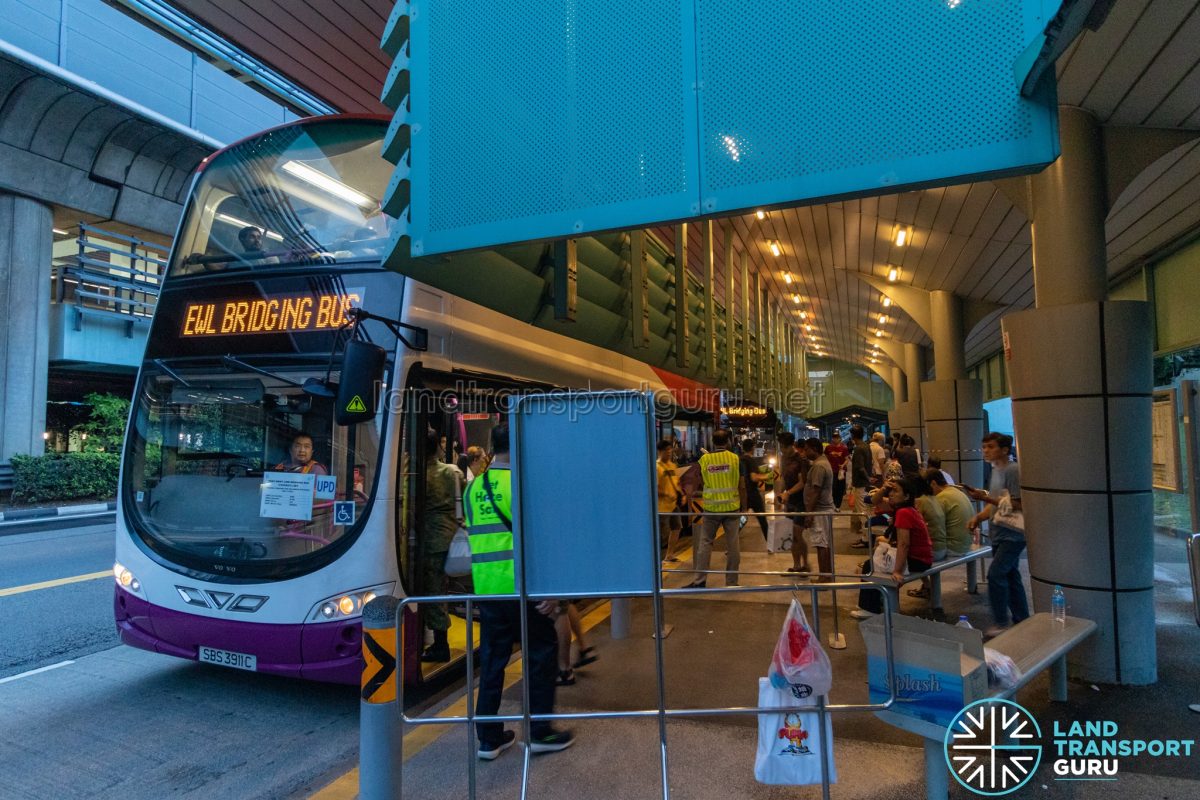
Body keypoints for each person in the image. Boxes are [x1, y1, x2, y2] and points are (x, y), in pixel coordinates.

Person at [464, 424, 573, 758]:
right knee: (541, 655)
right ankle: (540, 732)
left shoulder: (473, 488)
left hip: (487, 589)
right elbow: (541, 542)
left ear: (492, 447)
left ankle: (488, 738)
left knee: (493, 662)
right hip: (524, 588)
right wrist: (551, 590)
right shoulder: (523, 485)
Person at [968, 432, 1028, 638]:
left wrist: (984, 498)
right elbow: (994, 504)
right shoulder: (996, 471)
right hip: (1000, 532)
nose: (985, 450)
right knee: (1011, 576)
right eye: (984, 447)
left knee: (996, 574)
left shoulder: (1013, 471)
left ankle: (1001, 622)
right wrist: (978, 517)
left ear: (1004, 449)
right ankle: (1022, 619)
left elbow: (1020, 504)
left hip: (1013, 534)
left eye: (990, 447)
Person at [851, 477, 934, 619]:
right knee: (871, 563)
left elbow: (904, 544)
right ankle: (876, 602)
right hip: (922, 557)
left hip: (916, 560)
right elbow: (874, 501)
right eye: (891, 491)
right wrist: (884, 488)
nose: (891, 494)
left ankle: (870, 608)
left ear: (906, 495)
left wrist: (897, 570)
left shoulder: (903, 512)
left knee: (869, 567)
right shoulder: (906, 508)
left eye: (895, 491)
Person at [420, 430, 464, 662]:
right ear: (437, 446)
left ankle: (440, 645)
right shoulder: (452, 472)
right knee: (439, 590)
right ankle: (437, 640)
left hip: (427, 541)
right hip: (450, 536)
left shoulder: (414, 475)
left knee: (432, 591)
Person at [686, 429, 746, 588]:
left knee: (705, 544)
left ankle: (699, 581)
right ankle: (732, 582)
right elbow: (742, 486)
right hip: (732, 509)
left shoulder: (704, 460)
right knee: (733, 546)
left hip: (711, 509)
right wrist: (744, 508)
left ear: (713, 442)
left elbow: (695, 480)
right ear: (728, 442)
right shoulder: (735, 459)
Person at [801, 437, 835, 581]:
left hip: (820, 510)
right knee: (824, 543)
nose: (805, 451)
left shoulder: (819, 467)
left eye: (807, 449)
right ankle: (827, 575)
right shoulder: (821, 462)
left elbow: (816, 491)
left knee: (822, 544)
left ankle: (824, 578)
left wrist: (809, 513)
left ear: (814, 449)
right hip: (822, 509)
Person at [775, 432, 810, 573]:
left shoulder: (801, 459)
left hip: (800, 500)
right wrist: (779, 495)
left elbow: (803, 482)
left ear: (790, 446)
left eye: (783, 447)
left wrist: (788, 493)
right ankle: (796, 565)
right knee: (791, 534)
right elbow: (783, 478)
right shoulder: (784, 458)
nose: (782, 450)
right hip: (789, 501)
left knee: (797, 534)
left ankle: (805, 564)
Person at [908, 473, 946, 599]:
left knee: (901, 554)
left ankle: (886, 596)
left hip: (933, 550)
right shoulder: (932, 498)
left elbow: (912, 526)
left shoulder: (920, 501)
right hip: (942, 547)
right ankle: (927, 586)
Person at [925, 469, 973, 556]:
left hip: (954, 548)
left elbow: (934, 527)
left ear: (933, 483)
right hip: (967, 545)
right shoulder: (957, 491)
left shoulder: (941, 497)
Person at [739, 438, 773, 541]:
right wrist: (767, 476)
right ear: (753, 448)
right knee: (762, 519)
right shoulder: (751, 460)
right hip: (753, 494)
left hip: (742, 494)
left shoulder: (740, 460)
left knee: (741, 519)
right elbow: (754, 478)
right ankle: (770, 544)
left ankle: (730, 543)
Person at [656, 439, 684, 562]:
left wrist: (681, 494)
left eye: (670, 450)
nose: (669, 453)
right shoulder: (656, 467)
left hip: (673, 504)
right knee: (662, 534)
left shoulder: (673, 466)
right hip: (662, 506)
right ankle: (658, 559)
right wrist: (666, 494)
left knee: (677, 528)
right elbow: (654, 488)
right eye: (666, 451)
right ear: (659, 451)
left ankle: (669, 554)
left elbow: (676, 482)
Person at [848, 425, 873, 548]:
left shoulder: (858, 449)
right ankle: (865, 537)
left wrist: (867, 477)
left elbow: (860, 467)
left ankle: (867, 539)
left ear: (852, 436)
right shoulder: (866, 446)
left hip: (861, 484)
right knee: (866, 510)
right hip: (866, 484)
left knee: (862, 513)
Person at [824, 432, 849, 510]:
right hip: (831, 471)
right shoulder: (828, 448)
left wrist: (843, 465)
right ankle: (832, 505)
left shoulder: (844, 448)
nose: (835, 439)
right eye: (834, 437)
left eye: (837, 438)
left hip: (841, 472)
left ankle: (838, 506)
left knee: (840, 489)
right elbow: (825, 457)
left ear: (840, 438)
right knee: (832, 488)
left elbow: (847, 459)